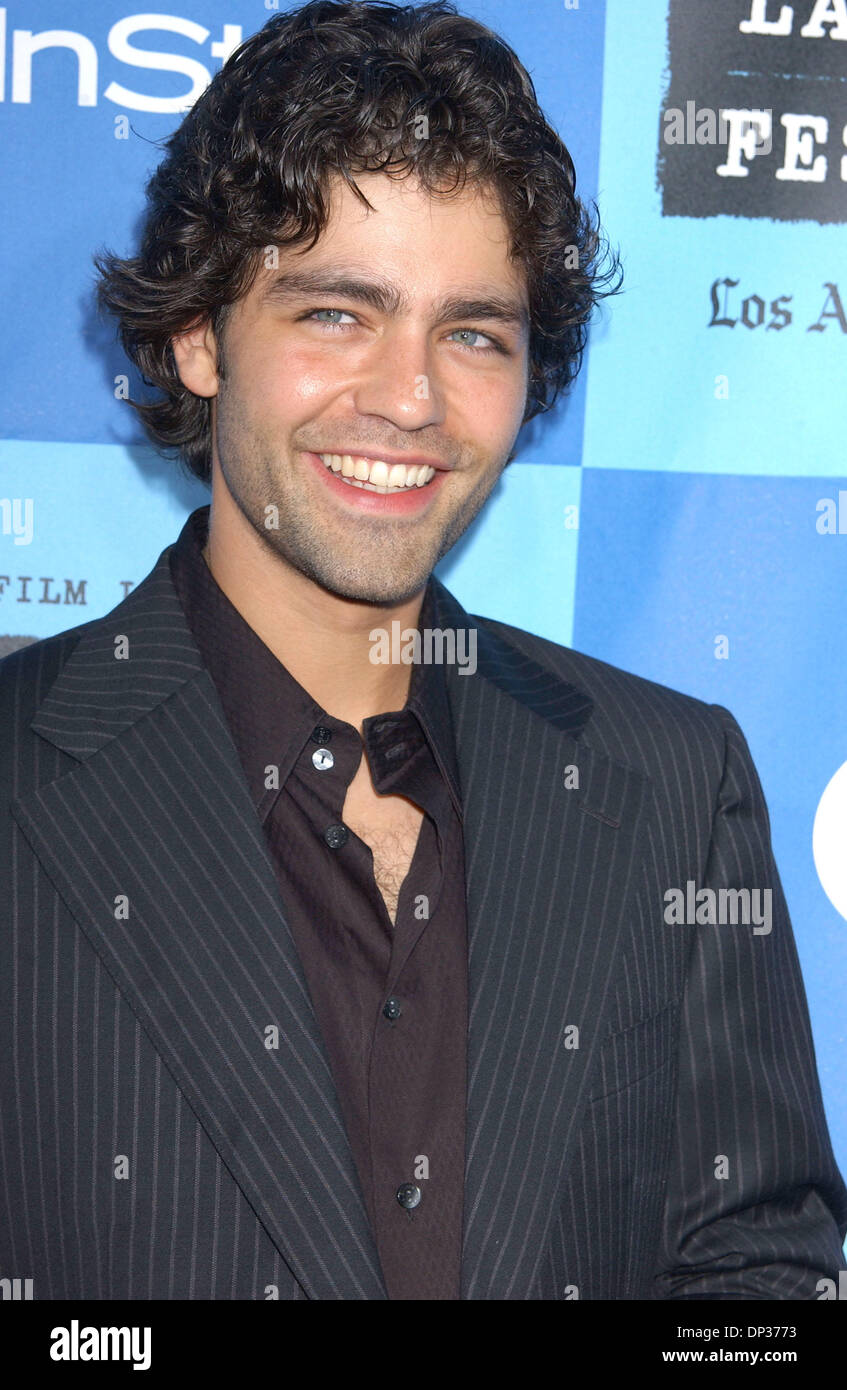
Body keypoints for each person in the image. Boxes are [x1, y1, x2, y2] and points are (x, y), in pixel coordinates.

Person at [1, 0, 844, 1301]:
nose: (410, 396)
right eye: (338, 313)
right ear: (196, 338)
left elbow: (761, 1274)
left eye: (472, 333)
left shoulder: (676, 785)